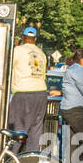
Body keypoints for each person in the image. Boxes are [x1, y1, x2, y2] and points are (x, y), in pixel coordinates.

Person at [6, 26, 49, 155]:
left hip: (23, 92)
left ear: (23, 38)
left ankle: (10, 161)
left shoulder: (18, 50)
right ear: (35, 39)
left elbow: (7, 67)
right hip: (41, 93)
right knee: (35, 131)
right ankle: (30, 159)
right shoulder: (41, 54)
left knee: (17, 129)